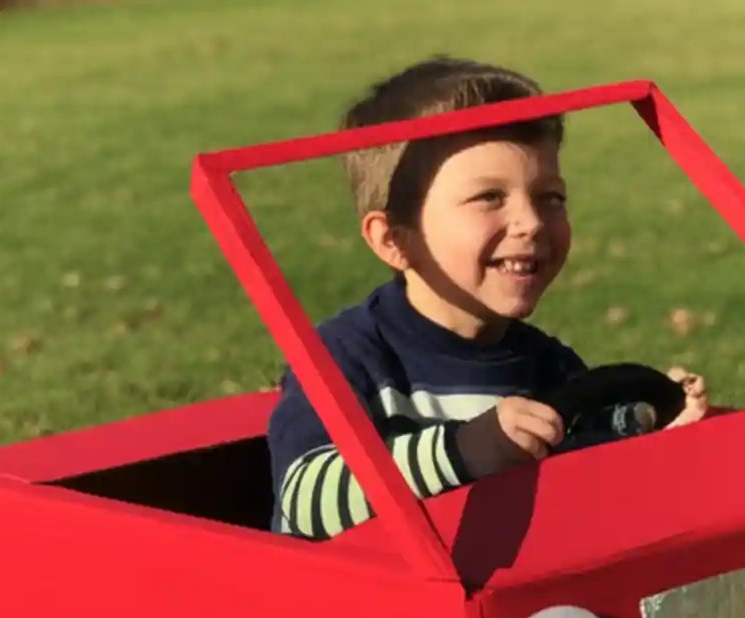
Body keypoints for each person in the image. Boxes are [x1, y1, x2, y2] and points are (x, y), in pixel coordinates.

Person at [267, 56, 707, 540]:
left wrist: (653, 429)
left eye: (550, 198)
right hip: (357, 585)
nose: (531, 223)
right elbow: (306, 500)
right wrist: (462, 451)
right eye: (489, 198)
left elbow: (586, 488)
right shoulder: (341, 357)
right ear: (394, 239)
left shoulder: (550, 365)